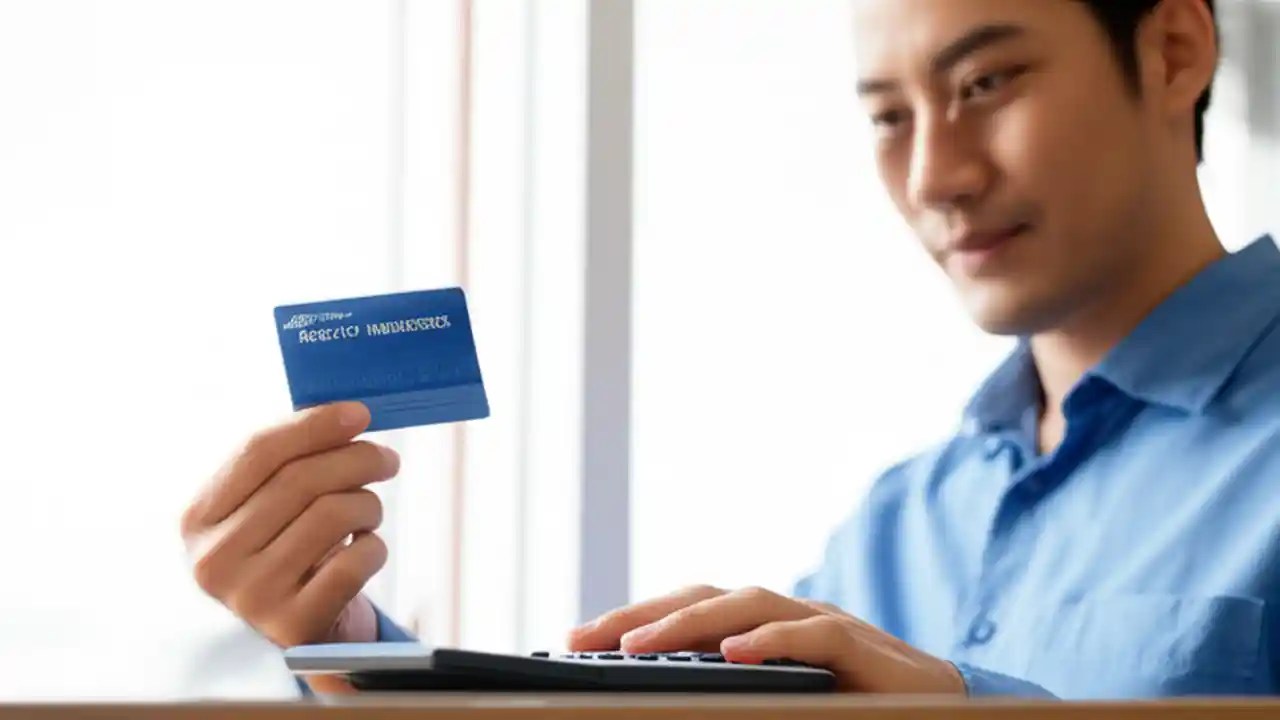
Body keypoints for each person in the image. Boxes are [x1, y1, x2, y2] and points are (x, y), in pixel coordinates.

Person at [182, 0, 1280, 699]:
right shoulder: (899, 525)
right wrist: (348, 644)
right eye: (887, 117)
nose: (933, 176)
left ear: (1172, 49)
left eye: (984, 84)